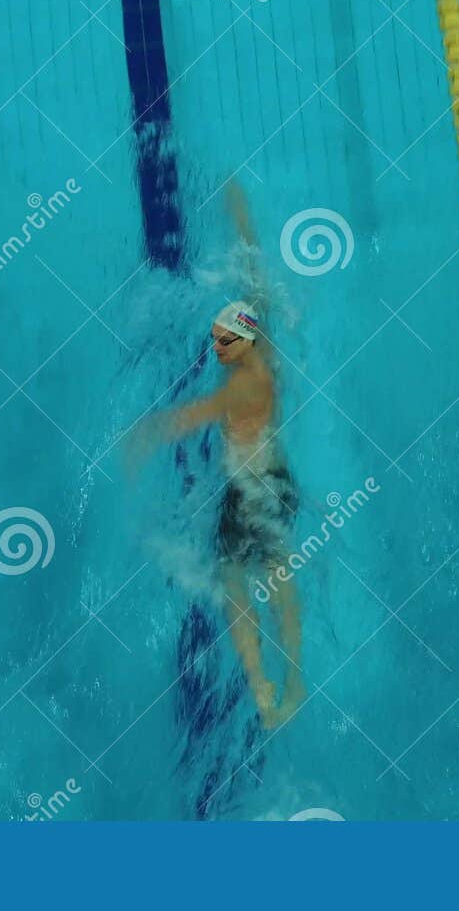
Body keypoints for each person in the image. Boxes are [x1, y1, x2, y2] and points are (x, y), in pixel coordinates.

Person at [132, 183, 302, 729]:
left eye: (223, 342)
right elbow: (256, 288)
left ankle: (264, 689)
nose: (216, 349)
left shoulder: (241, 388)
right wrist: (242, 221)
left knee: (235, 587)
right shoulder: (265, 355)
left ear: (242, 345)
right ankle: (291, 681)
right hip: (273, 484)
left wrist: (147, 433)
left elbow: (196, 415)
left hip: (252, 492)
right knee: (276, 579)